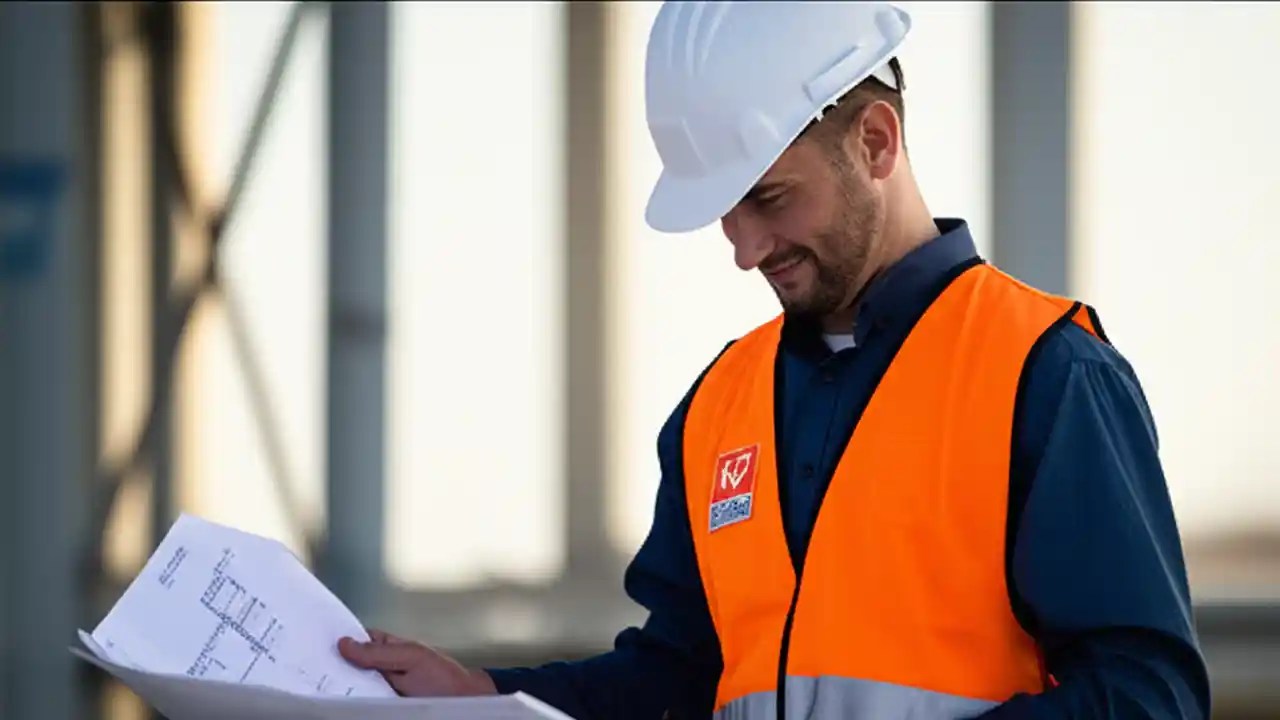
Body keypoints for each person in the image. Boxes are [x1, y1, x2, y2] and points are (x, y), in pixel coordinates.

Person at [337, 2, 1211, 718]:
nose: (746, 250)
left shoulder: (1046, 375)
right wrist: (487, 696)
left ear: (876, 141)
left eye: (769, 199)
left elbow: (1148, 696)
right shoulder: (720, 405)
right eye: (727, 212)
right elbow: (678, 678)